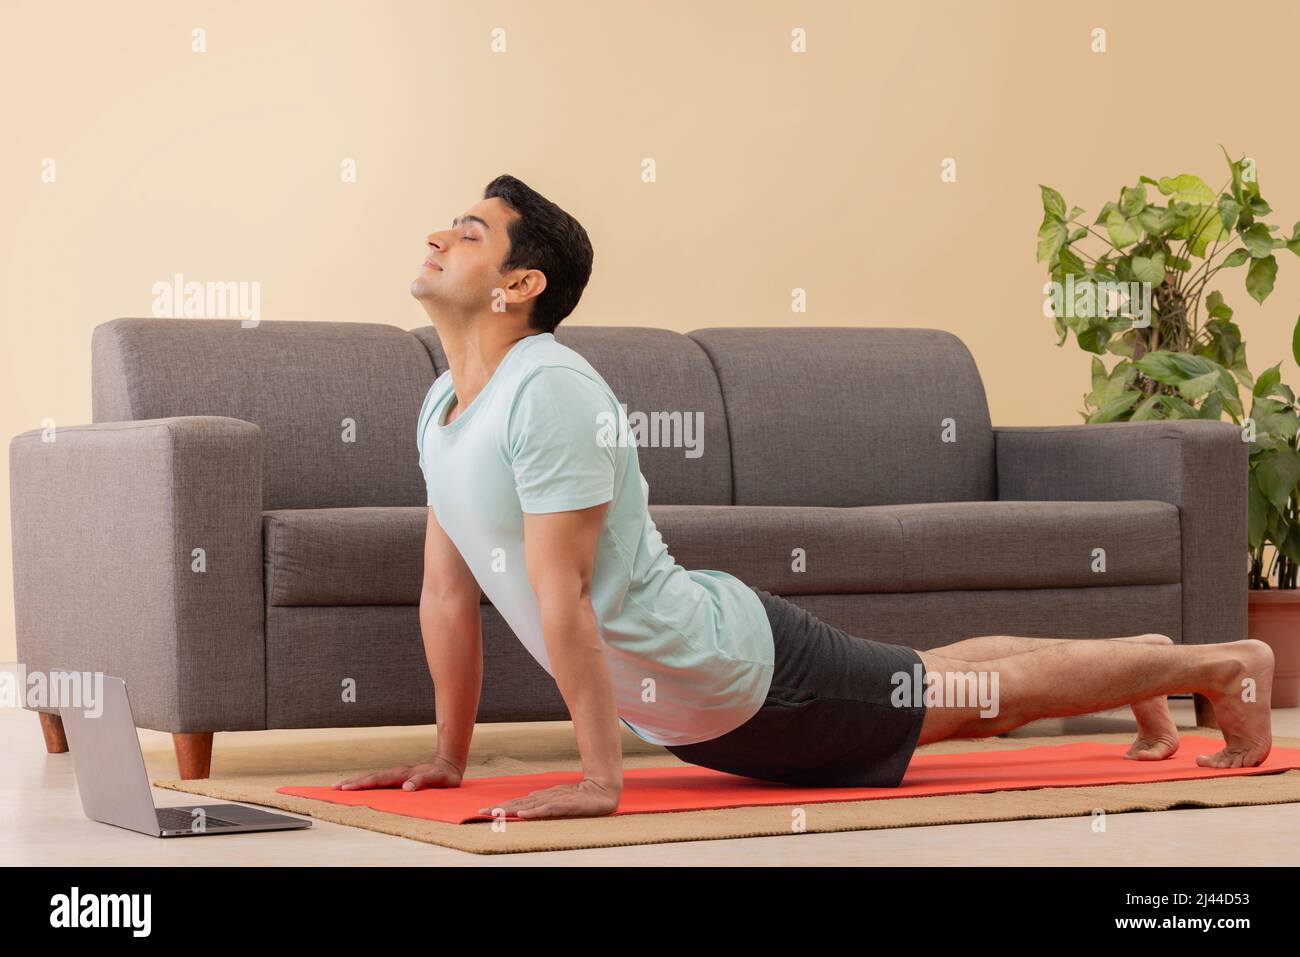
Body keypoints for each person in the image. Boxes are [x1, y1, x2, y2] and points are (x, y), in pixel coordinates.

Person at [336, 174, 1274, 819]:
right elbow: (448, 594)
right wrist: (449, 757)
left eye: (469, 234)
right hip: (704, 688)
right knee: (932, 672)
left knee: (971, 701)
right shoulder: (442, 406)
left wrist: (598, 779)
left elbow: (564, 597)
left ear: (519, 285)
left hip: (740, 681)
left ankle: (1218, 664)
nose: (436, 236)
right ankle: (1152, 658)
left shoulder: (550, 390)